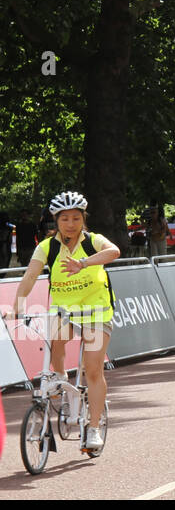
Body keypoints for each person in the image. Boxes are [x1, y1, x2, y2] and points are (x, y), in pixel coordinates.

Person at [4, 191, 120, 453]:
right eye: (64, 218)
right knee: (55, 343)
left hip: (96, 311)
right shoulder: (47, 247)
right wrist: (16, 308)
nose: (70, 223)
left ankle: (92, 429)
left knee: (92, 369)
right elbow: (30, 276)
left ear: (83, 219)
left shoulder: (93, 241)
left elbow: (114, 251)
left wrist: (84, 263)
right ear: (55, 221)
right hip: (64, 310)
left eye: (76, 218)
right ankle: (61, 380)